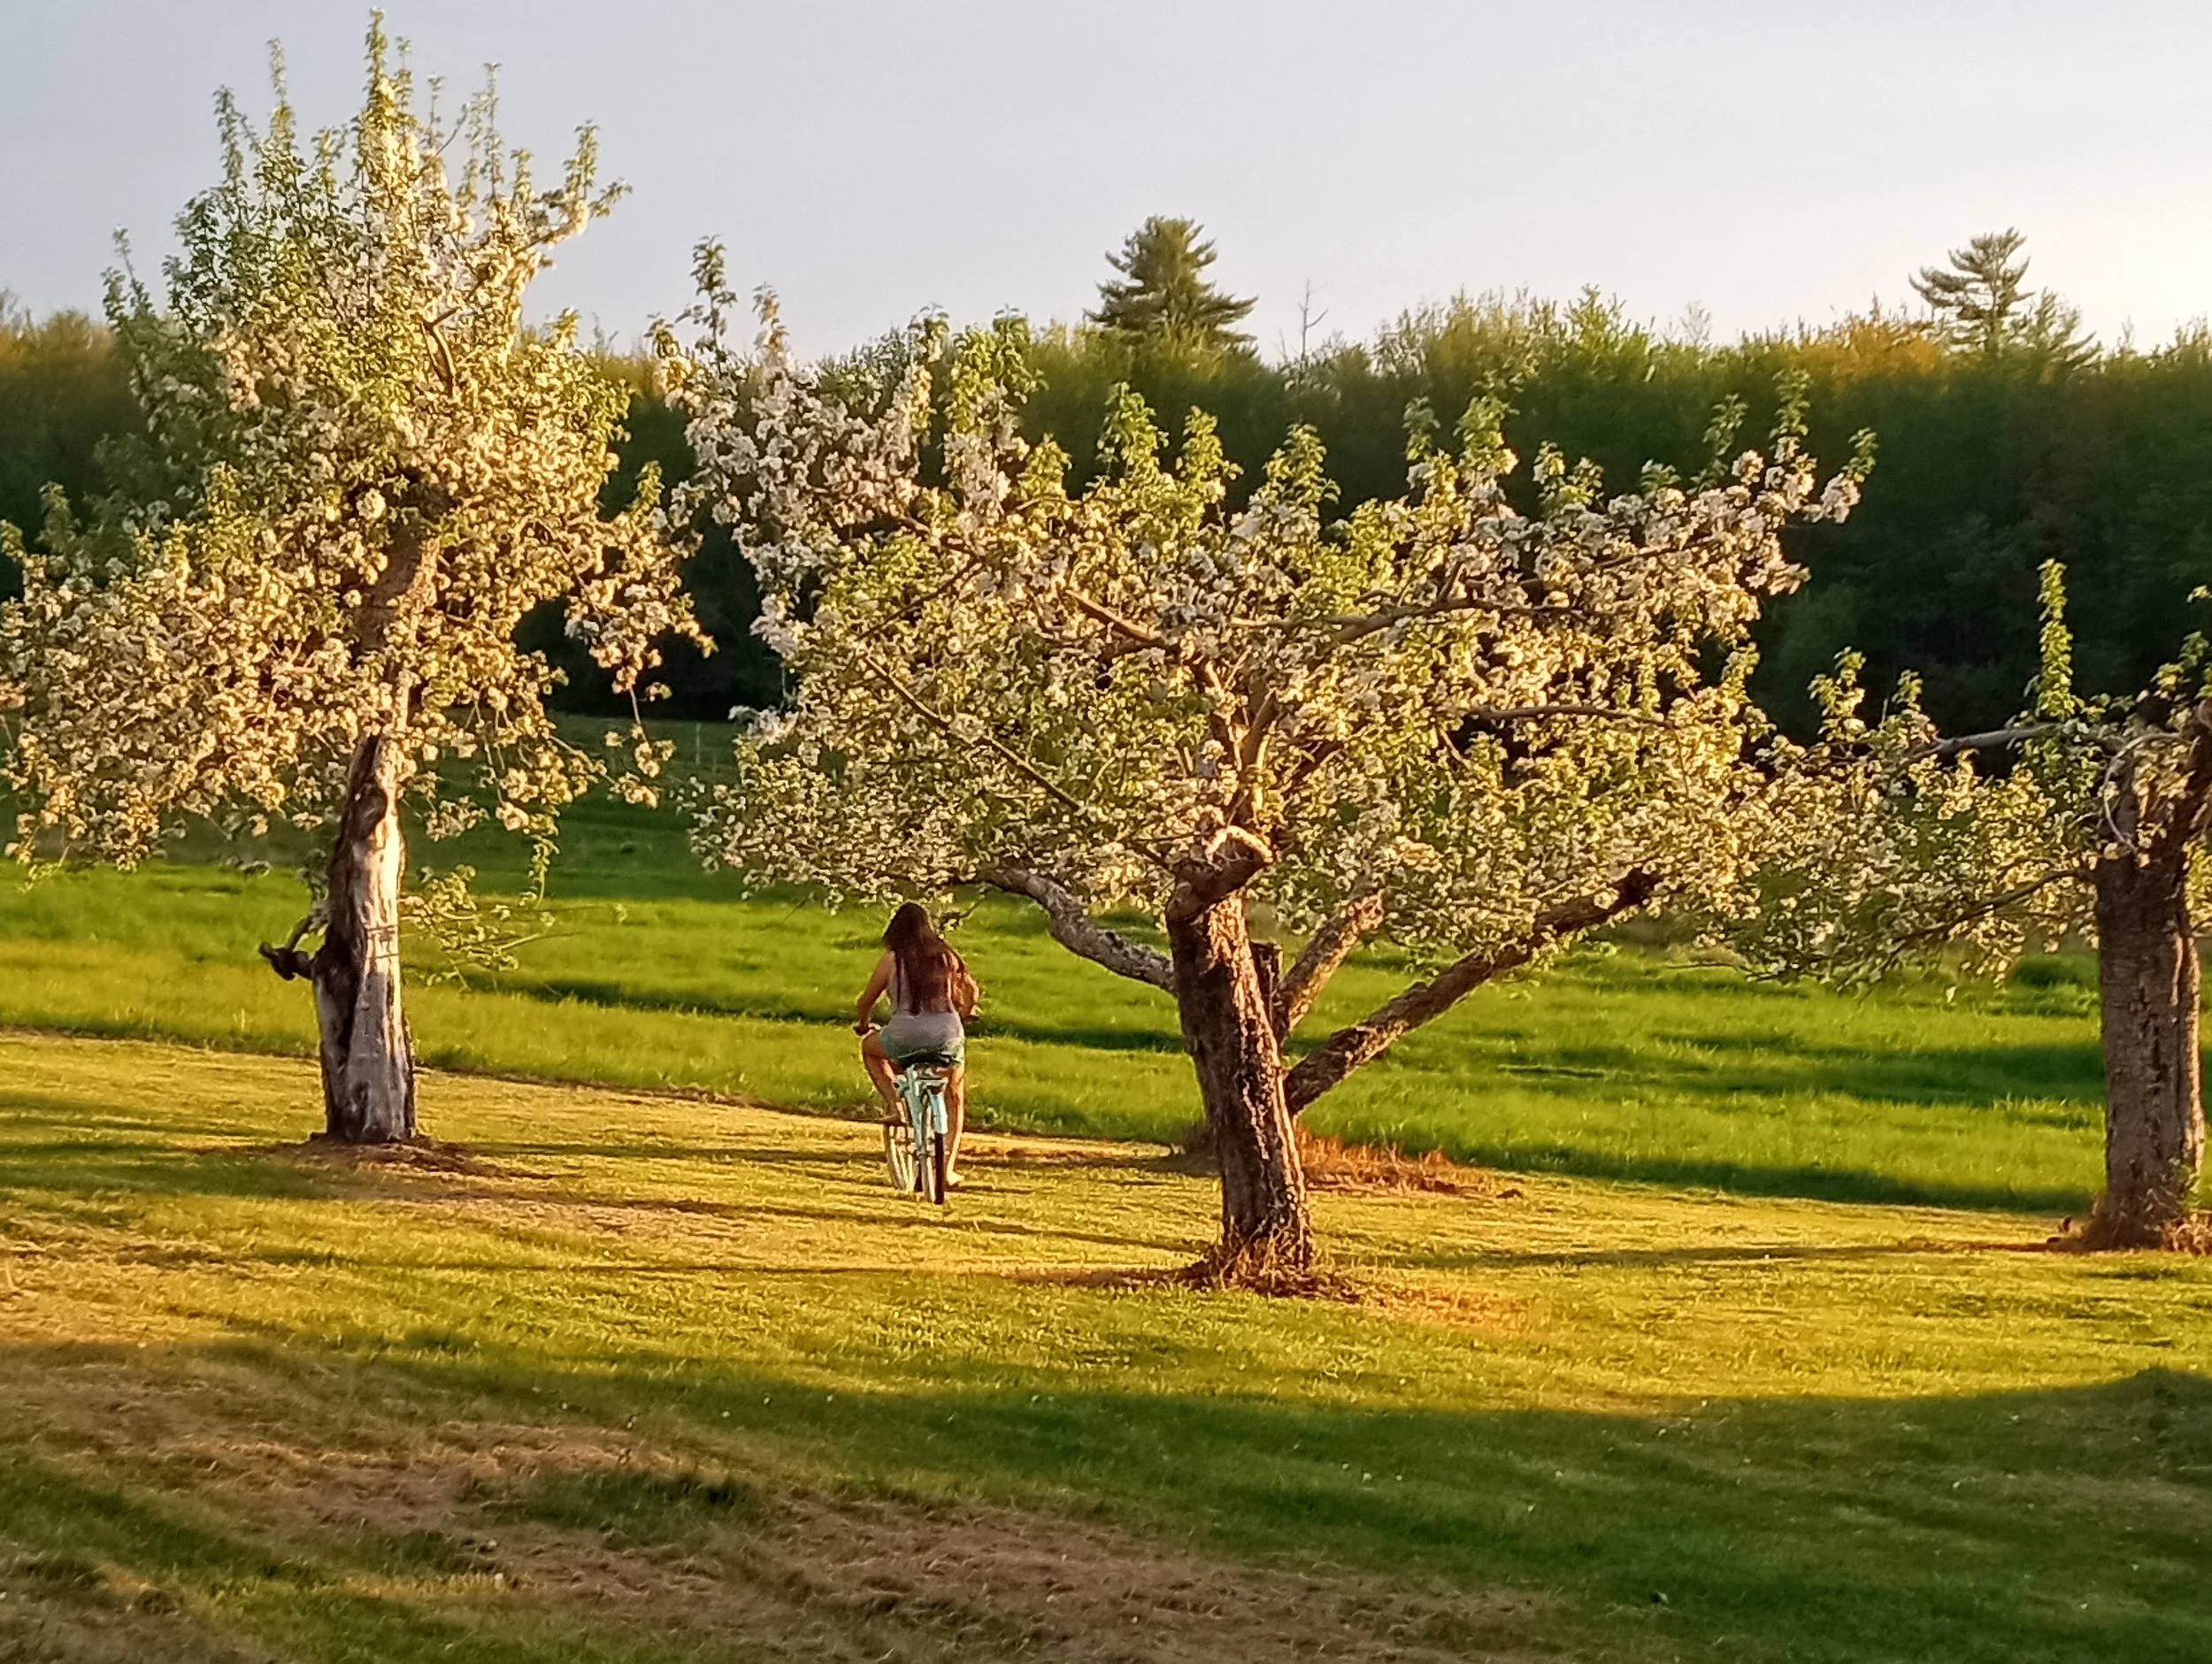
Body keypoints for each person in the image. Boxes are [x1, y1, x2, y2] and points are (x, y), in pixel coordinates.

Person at [855, 902, 980, 1184]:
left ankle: (894, 1105)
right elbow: (971, 989)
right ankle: (946, 1168)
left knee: (870, 1050)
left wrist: (863, 1024)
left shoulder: (892, 960)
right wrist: (967, 1012)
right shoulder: (946, 957)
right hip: (947, 1037)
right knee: (955, 1096)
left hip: (903, 1036)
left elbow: (866, 1001)